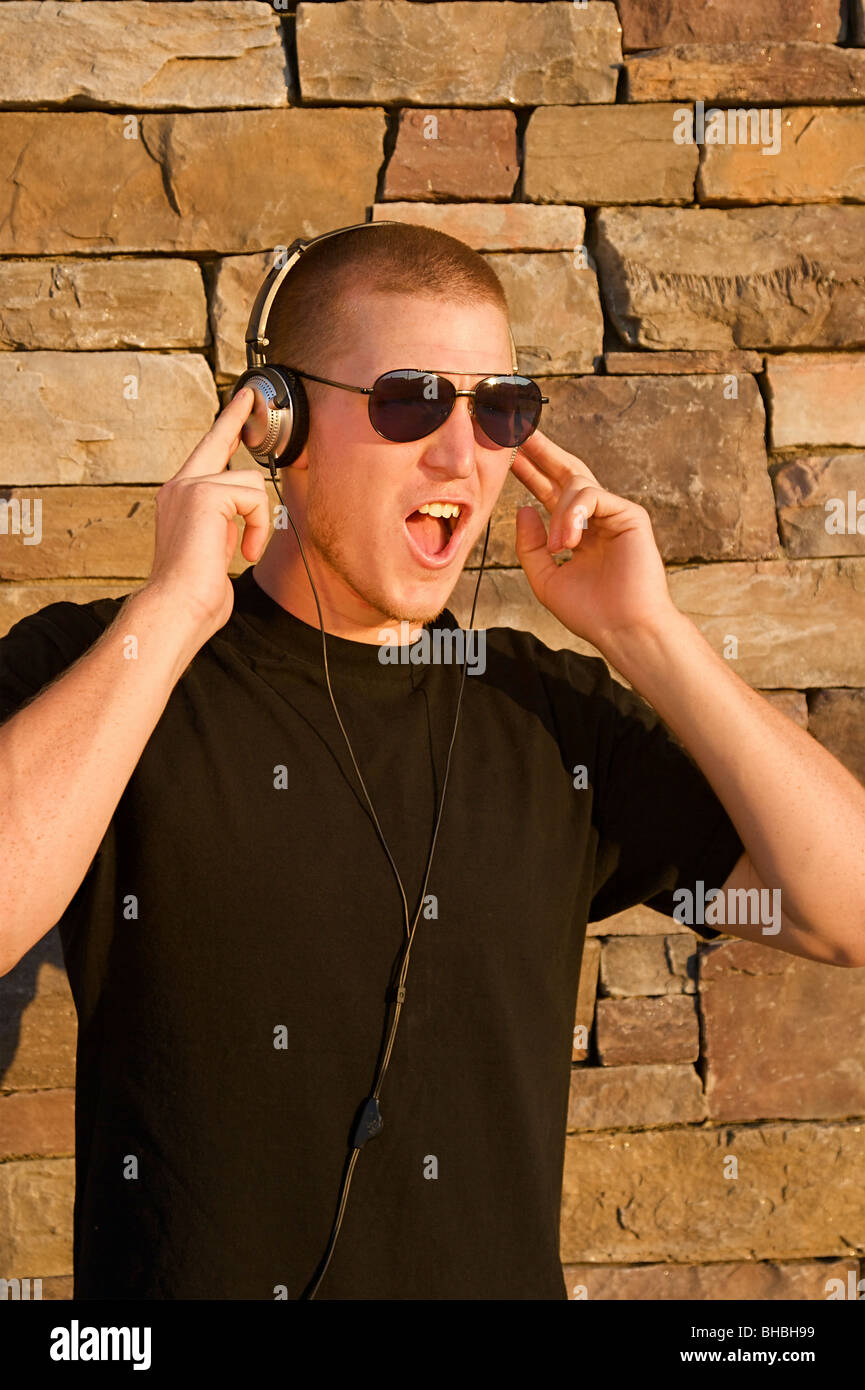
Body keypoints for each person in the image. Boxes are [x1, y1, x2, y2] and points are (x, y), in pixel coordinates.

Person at [1, 222, 863, 1302]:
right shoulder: (112, 672)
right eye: (410, 401)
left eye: (499, 410)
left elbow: (847, 911)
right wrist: (171, 612)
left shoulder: (549, 720)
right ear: (278, 425)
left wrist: (647, 633)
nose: (462, 455)